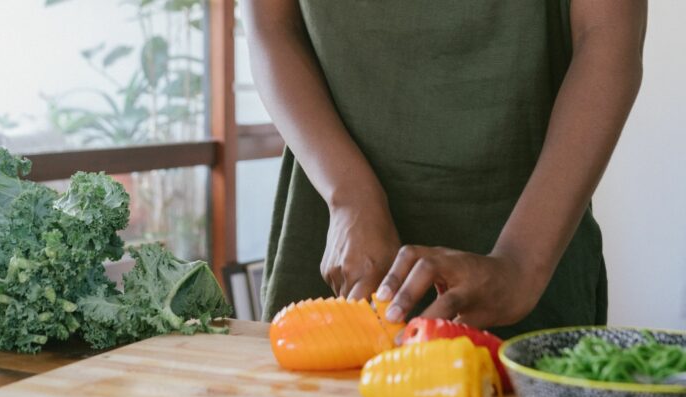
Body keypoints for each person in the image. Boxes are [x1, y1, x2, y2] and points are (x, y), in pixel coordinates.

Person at [243, 0, 647, 339]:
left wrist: (521, 262)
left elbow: (605, 34)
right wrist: (348, 195)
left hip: (534, 231)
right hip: (335, 228)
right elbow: (271, 24)